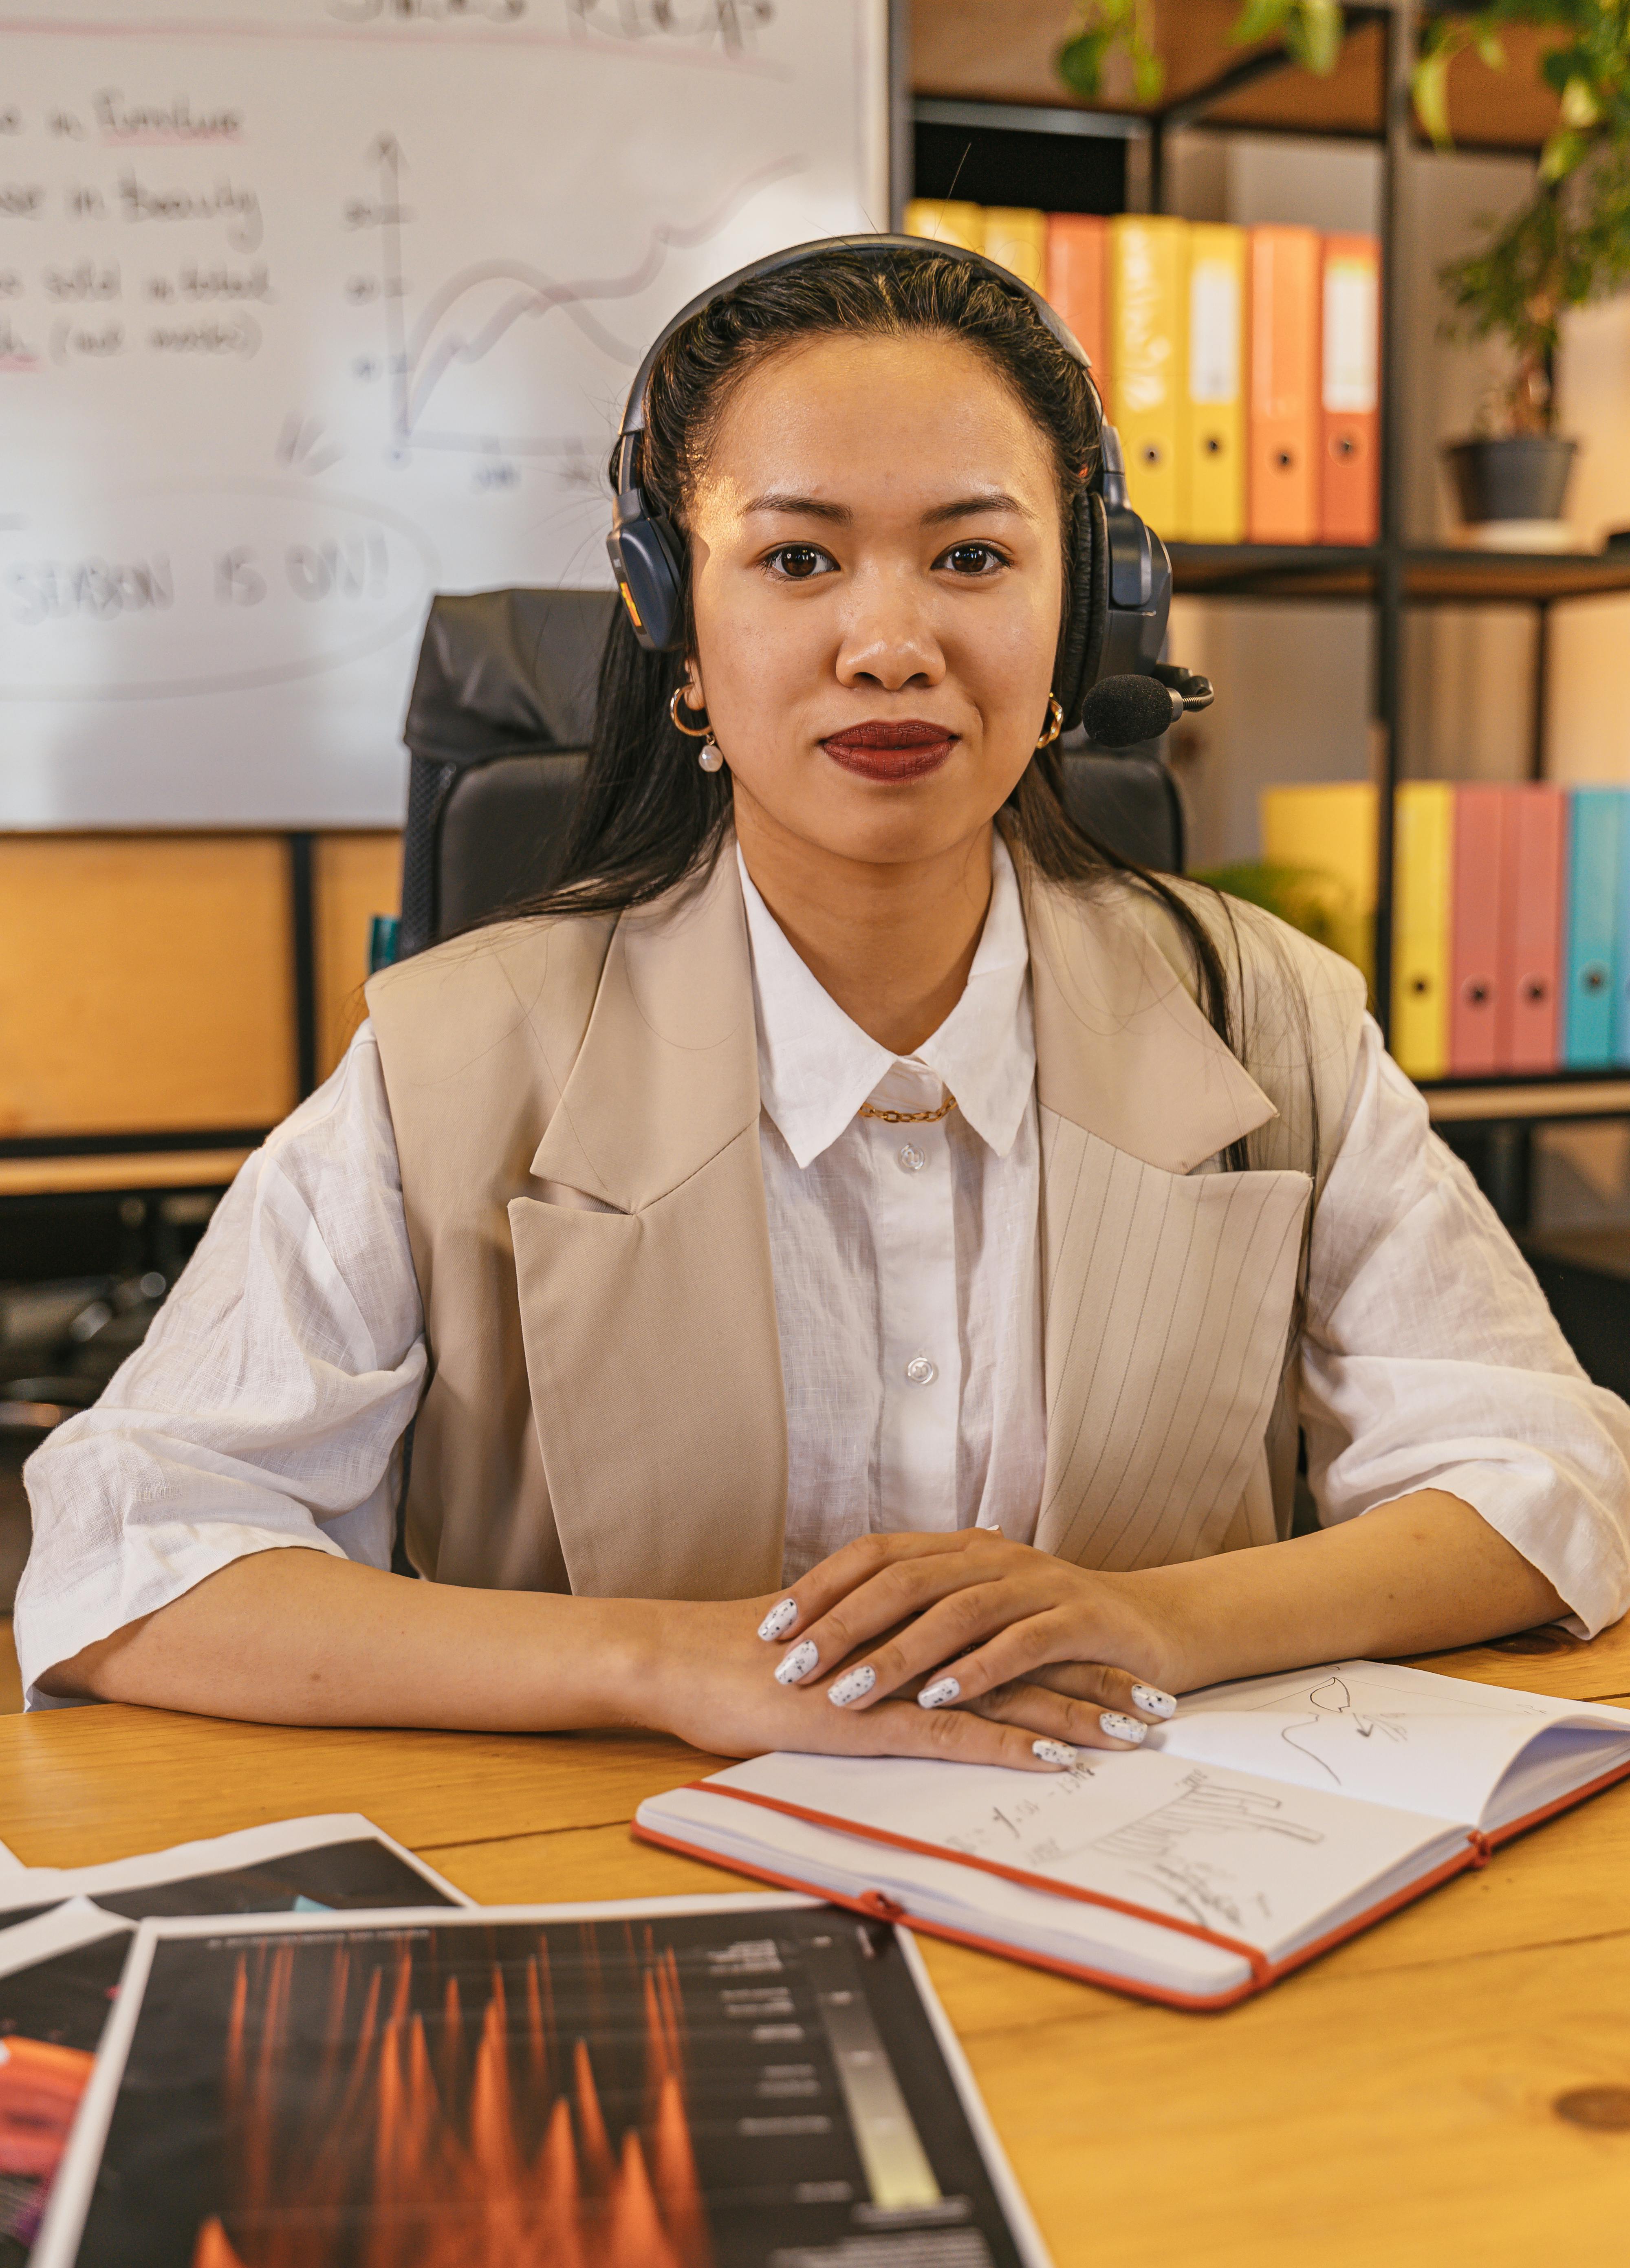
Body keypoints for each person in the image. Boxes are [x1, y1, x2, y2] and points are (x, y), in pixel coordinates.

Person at [18, 242, 1630, 1770]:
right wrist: (657, 1665)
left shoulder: (1267, 1018)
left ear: (1085, 618)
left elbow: (1550, 1476)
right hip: (620, 1892)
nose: (889, 642)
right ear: (676, 625)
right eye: (796, 558)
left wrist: (1157, 1619)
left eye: (973, 557)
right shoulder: (454, 1061)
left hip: (1151, 1922)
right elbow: (130, 1547)